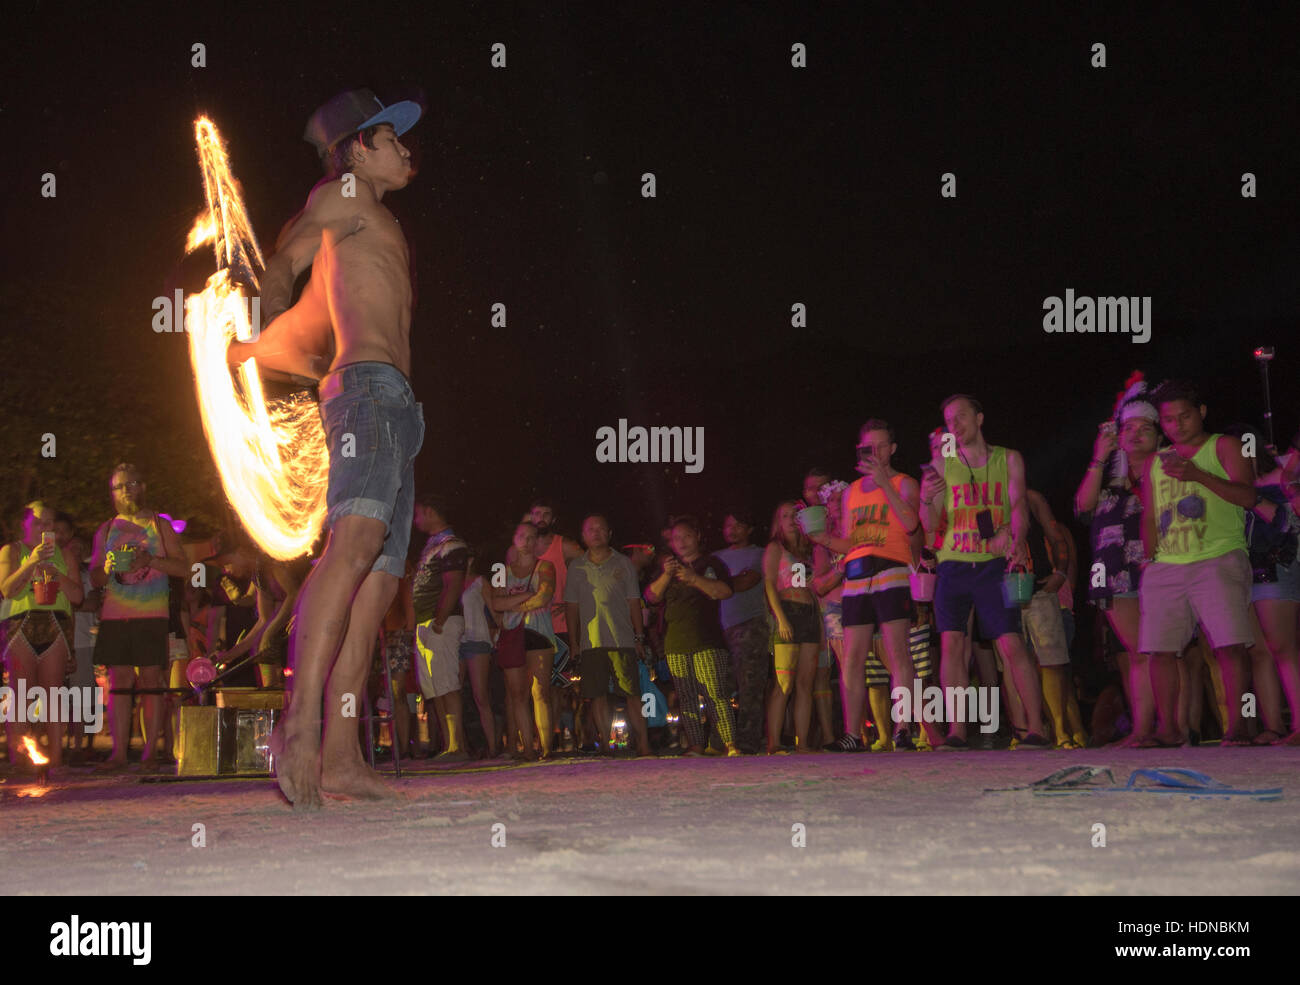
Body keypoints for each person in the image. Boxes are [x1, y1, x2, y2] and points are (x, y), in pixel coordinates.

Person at [229, 88, 425, 807]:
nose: (407, 148)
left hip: (397, 406)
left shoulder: (374, 219)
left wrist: (269, 346)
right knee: (351, 549)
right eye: (392, 137)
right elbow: (286, 259)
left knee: (377, 587)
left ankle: (342, 753)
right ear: (357, 148)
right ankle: (298, 727)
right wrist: (265, 308)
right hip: (369, 394)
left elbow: (325, 305)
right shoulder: (340, 196)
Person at [919, 395, 1050, 749]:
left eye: (961, 417)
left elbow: (1019, 502)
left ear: (979, 418)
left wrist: (1018, 537)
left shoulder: (1008, 458)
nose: (955, 425)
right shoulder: (942, 464)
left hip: (993, 563)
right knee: (952, 644)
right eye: (949, 421)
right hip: (953, 563)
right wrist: (925, 498)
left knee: (1009, 641)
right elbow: (929, 526)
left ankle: (1037, 727)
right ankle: (957, 732)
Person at [1139, 380, 1257, 747]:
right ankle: (1168, 729)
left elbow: (1248, 496)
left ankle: (1239, 725)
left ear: (1201, 412)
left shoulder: (1224, 446)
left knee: (1229, 645)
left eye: (1184, 416)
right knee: (1159, 650)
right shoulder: (1155, 462)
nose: (1177, 425)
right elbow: (1149, 514)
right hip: (1167, 564)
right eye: (1169, 420)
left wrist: (1197, 475)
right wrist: (1148, 557)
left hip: (1218, 558)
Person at [812, 421, 934, 751]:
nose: (875, 453)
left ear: (892, 449)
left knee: (898, 653)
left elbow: (911, 524)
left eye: (881, 446)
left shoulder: (905, 483)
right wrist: (824, 538)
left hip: (891, 570)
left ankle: (903, 728)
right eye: (869, 448)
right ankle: (853, 734)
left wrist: (885, 485)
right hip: (856, 575)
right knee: (852, 657)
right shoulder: (851, 492)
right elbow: (853, 541)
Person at [1075, 378, 1160, 746]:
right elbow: (1082, 508)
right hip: (1115, 573)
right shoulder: (1110, 479)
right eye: (1129, 428)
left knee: (1166, 653)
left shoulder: (1169, 470)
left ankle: (1178, 728)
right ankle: (1144, 730)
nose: (1136, 434)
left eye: (1146, 428)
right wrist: (1100, 455)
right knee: (1139, 652)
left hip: (1161, 565)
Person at [88, 465, 190, 769]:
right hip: (115, 616)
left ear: (142, 486)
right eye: (119, 486)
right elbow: (93, 580)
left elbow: (185, 569)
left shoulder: (160, 526)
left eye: (131, 484)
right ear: (112, 493)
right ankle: (119, 753)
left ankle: (149, 753)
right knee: (119, 681)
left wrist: (151, 560)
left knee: (151, 681)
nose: (126, 490)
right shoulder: (106, 529)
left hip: (152, 613)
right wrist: (106, 568)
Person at [644, 515, 740, 756]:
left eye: (687, 536)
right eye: (677, 538)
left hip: (706, 640)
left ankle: (728, 743)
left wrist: (694, 579)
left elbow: (724, 592)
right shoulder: (667, 569)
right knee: (686, 698)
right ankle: (696, 745)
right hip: (676, 642)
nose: (682, 542)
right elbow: (651, 597)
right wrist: (667, 575)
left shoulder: (712, 563)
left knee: (715, 694)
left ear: (697, 536)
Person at [0, 502, 84, 771]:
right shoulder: (12, 551)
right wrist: (33, 562)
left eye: (49, 523)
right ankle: (21, 759)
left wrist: (55, 572)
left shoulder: (65, 555)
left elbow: (78, 597)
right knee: (22, 693)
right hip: (21, 622)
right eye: (39, 522)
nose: (45, 528)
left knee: (53, 695)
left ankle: (56, 760)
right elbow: (7, 590)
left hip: (54, 623)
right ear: (24, 525)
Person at [564, 514, 651, 757]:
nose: (596, 532)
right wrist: (574, 643)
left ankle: (644, 744)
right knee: (596, 695)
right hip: (590, 642)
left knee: (632, 693)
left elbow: (634, 602)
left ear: (609, 533)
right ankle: (604, 743)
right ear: (583, 536)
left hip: (622, 639)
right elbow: (571, 607)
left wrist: (639, 637)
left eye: (601, 528)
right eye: (591, 529)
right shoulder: (576, 567)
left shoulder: (623, 563)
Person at [491, 521, 558, 759]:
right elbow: (495, 604)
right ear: (514, 538)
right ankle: (528, 749)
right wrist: (527, 596)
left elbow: (544, 597)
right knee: (517, 695)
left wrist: (514, 604)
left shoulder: (546, 567)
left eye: (532, 537)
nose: (527, 542)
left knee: (541, 692)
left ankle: (547, 748)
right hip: (512, 635)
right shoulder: (500, 570)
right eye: (522, 537)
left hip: (539, 634)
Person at [411, 495, 469, 761]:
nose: (415, 519)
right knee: (436, 688)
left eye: (419, 513)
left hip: (440, 623)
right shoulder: (432, 545)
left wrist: (440, 620)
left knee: (447, 684)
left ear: (431, 511)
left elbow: (453, 584)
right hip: (428, 623)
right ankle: (449, 746)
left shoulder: (451, 544)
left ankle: (457, 747)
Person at [763, 502, 820, 753]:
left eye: (795, 515)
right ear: (778, 521)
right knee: (784, 683)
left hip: (809, 612)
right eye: (784, 515)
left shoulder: (808, 550)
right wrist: (781, 618)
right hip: (788, 610)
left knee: (806, 684)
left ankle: (803, 743)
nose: (790, 519)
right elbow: (769, 585)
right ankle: (774, 742)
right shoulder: (776, 548)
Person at [715, 511, 769, 755]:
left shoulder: (759, 554)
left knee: (750, 687)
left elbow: (749, 581)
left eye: (738, 525)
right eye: (728, 525)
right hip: (718, 628)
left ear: (749, 529)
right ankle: (720, 741)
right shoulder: (715, 557)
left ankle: (749, 741)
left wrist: (719, 584)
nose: (732, 529)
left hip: (750, 626)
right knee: (718, 688)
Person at [459, 552, 499, 757]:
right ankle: (461, 747)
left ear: (470, 558)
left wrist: (500, 632)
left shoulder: (479, 581)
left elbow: (494, 610)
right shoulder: (450, 584)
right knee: (454, 694)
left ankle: (492, 747)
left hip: (477, 638)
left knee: (480, 695)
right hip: (455, 641)